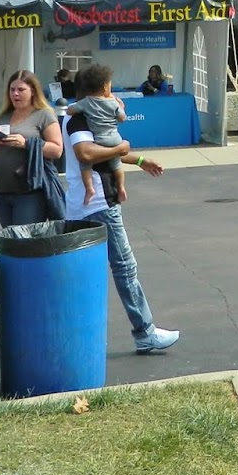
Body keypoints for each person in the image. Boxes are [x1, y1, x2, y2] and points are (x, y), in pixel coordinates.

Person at [61, 116, 179, 353]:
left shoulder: (79, 117)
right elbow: (86, 153)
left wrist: (139, 160)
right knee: (124, 268)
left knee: (80, 272)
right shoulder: (82, 119)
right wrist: (122, 148)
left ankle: (72, 336)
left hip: (81, 205)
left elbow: (101, 152)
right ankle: (144, 332)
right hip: (98, 205)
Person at [0, 70, 65, 227]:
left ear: (33, 91)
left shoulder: (43, 115)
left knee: (25, 241)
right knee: (11, 241)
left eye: (21, 90)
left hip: (29, 192)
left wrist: (26, 143)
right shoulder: (5, 115)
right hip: (2, 192)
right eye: (12, 90)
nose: (15, 94)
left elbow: (57, 150)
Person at [68, 63, 128, 206]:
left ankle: (90, 189)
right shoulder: (113, 102)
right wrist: (120, 107)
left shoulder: (86, 103)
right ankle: (121, 187)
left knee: (85, 165)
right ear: (106, 87)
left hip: (99, 140)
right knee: (117, 164)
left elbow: (71, 109)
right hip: (115, 138)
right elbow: (122, 118)